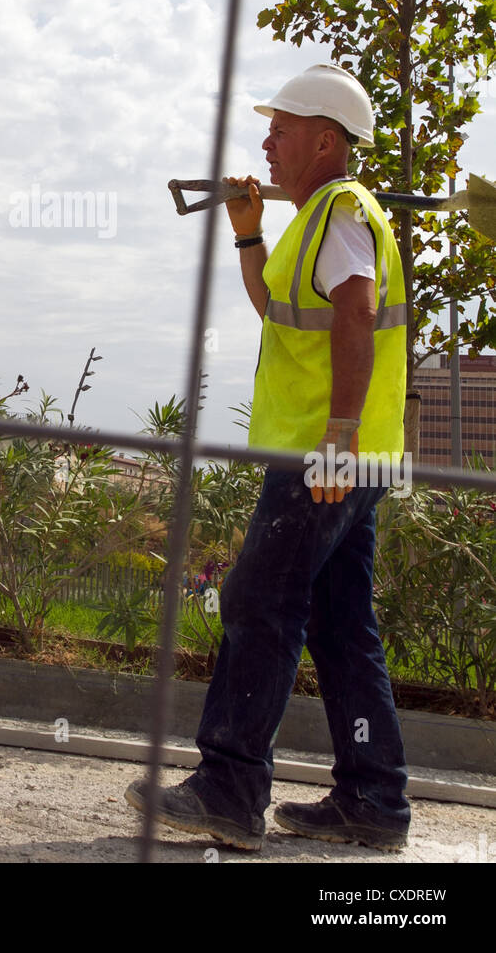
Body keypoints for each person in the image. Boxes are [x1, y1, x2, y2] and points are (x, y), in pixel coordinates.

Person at [126, 63, 410, 852]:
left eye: (280, 131)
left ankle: (229, 786)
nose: (265, 143)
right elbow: (276, 313)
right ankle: (374, 801)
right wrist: (249, 231)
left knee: (258, 599)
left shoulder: (341, 213)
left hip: (324, 454)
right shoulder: (317, 221)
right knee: (341, 622)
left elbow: (354, 316)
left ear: (326, 140)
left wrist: (336, 433)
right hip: (357, 455)